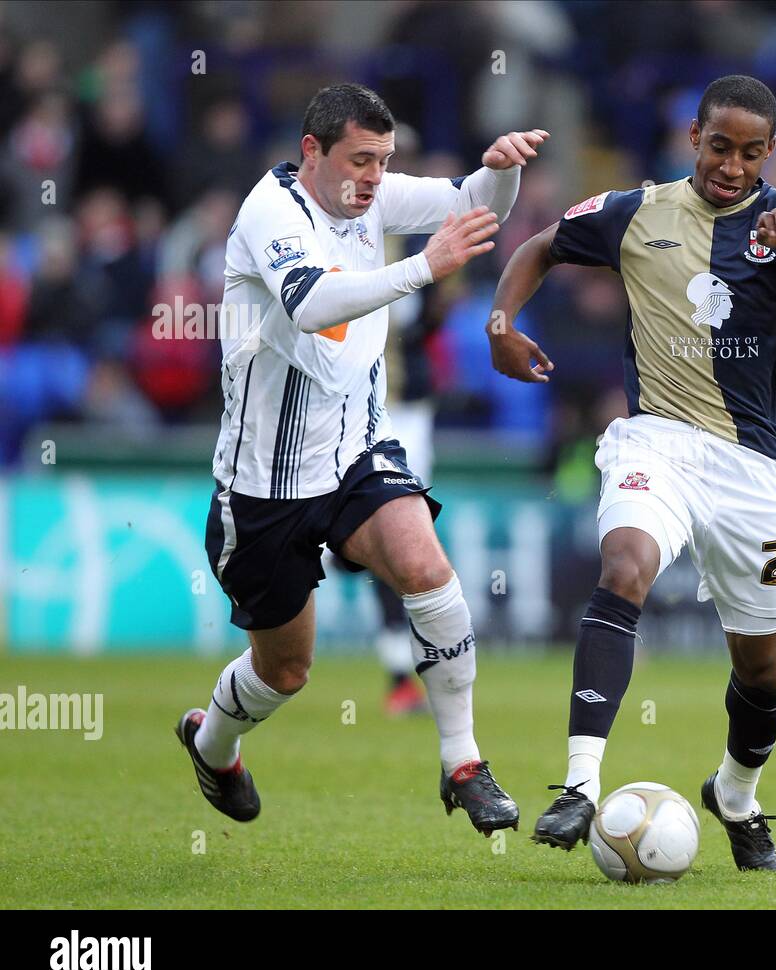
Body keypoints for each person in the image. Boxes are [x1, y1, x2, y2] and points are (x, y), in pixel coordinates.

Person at [488, 75, 776, 870]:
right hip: (654, 441)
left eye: (750, 152)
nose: (731, 166)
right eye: (718, 146)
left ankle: (736, 794)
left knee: (761, 668)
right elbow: (539, 247)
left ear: (771, 152)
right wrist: (501, 321)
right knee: (623, 567)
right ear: (693, 136)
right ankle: (580, 785)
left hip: (753, 471)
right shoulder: (636, 211)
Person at [176, 82, 550, 837]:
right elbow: (311, 302)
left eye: (383, 160)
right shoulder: (270, 212)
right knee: (285, 670)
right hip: (263, 485)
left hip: (356, 453)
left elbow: (472, 202)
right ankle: (211, 744)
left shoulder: (373, 195)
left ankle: (463, 764)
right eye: (359, 160)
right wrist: (423, 268)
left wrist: (502, 169)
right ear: (312, 151)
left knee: (427, 568)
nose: (373, 178)